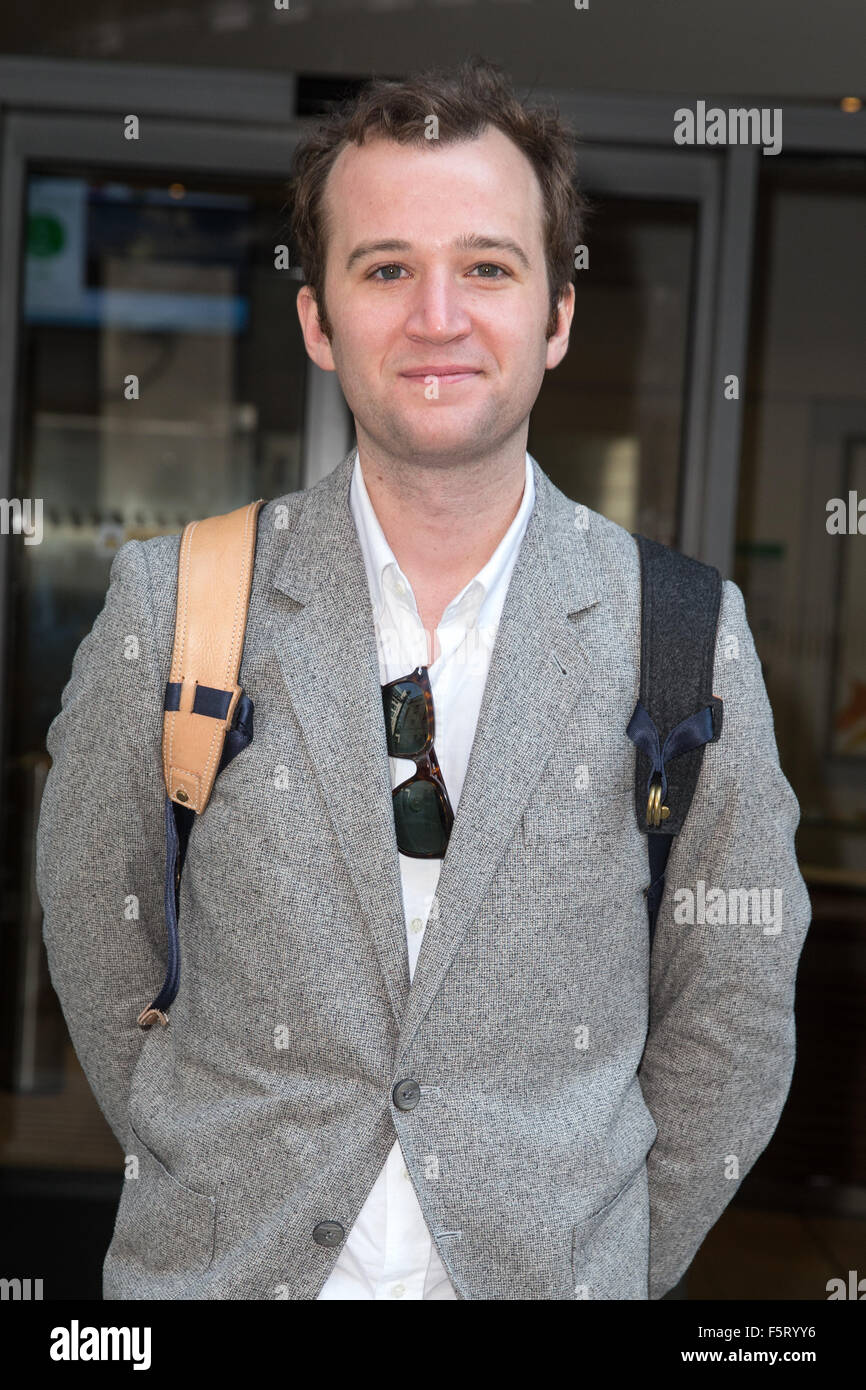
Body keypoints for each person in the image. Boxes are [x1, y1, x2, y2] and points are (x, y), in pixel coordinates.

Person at [36, 56, 811, 1301]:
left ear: (556, 316)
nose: (436, 315)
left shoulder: (680, 634)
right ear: (318, 319)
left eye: (488, 267)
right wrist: (208, 1170)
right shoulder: (177, 606)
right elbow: (98, 929)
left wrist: (602, 1257)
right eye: (385, 267)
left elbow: (731, 1009)